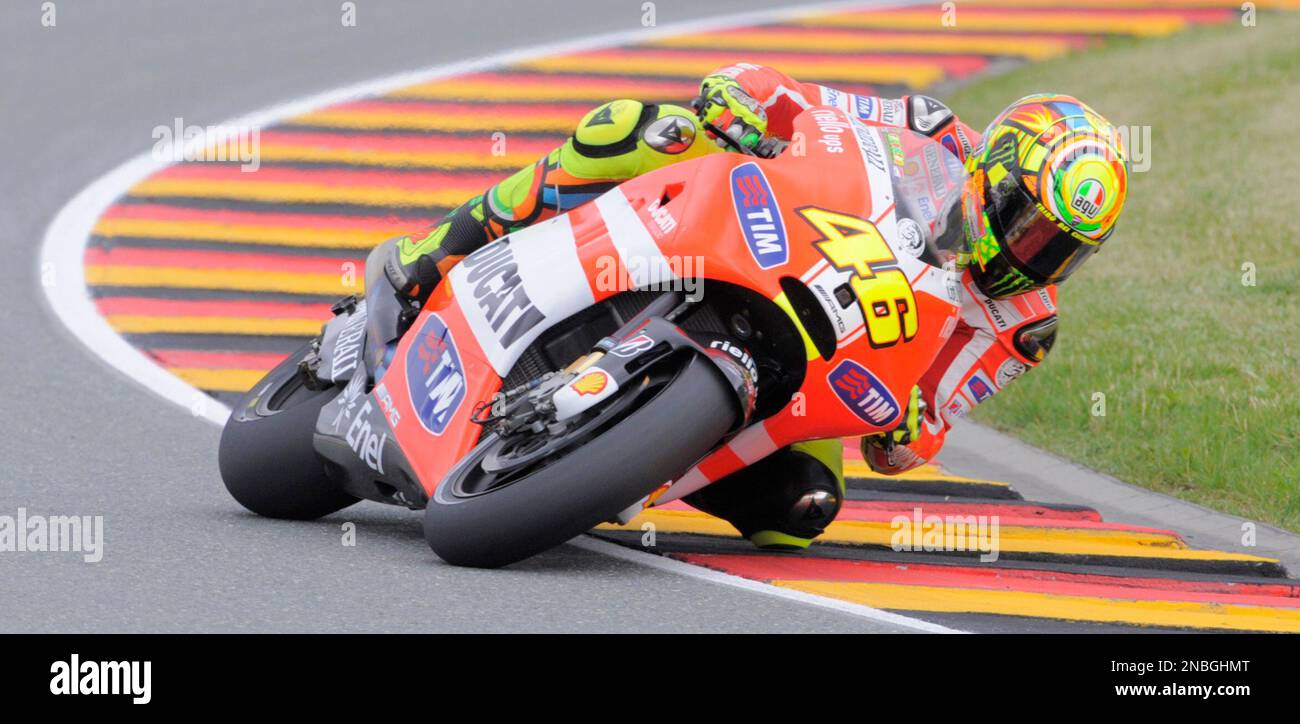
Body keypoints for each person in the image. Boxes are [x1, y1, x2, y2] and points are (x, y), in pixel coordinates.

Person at [379, 62, 1128, 550]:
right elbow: (801, 103)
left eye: (1059, 250)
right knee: (641, 130)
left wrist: (908, 428)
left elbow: (923, 426)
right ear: (993, 174)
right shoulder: (928, 128)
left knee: (805, 509)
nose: (1033, 254)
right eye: (1026, 224)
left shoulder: (1025, 326)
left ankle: (618, 464)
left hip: (833, 363)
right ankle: (434, 253)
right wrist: (742, 100)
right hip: (773, 235)